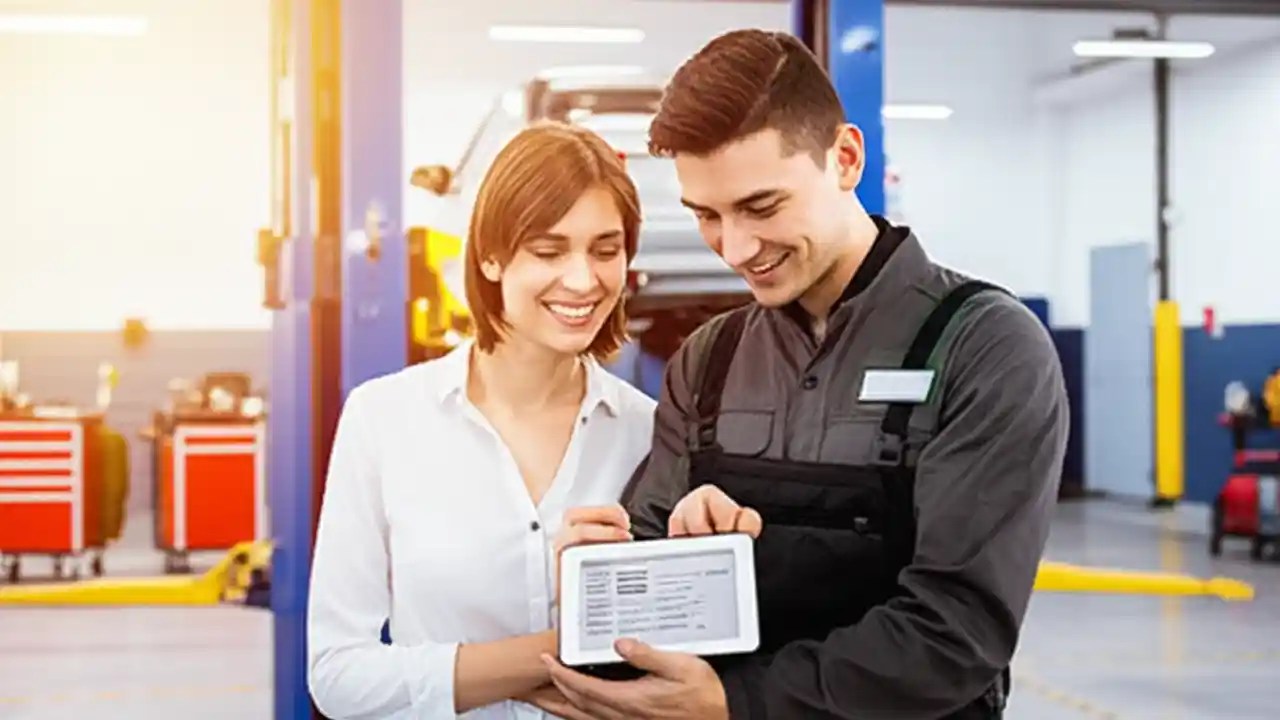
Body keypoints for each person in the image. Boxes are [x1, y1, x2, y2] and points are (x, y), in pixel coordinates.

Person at [531, 29, 1070, 720]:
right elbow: (645, 581)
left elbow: (955, 631)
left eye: (762, 207)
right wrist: (612, 574)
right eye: (708, 216)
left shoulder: (984, 348)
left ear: (844, 158)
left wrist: (734, 702)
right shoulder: (708, 360)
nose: (736, 247)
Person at [306, 121, 657, 719]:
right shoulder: (384, 420)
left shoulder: (648, 432)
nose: (583, 279)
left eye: (606, 250)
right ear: (491, 257)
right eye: (548, 251)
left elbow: (678, 655)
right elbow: (339, 676)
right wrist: (550, 657)